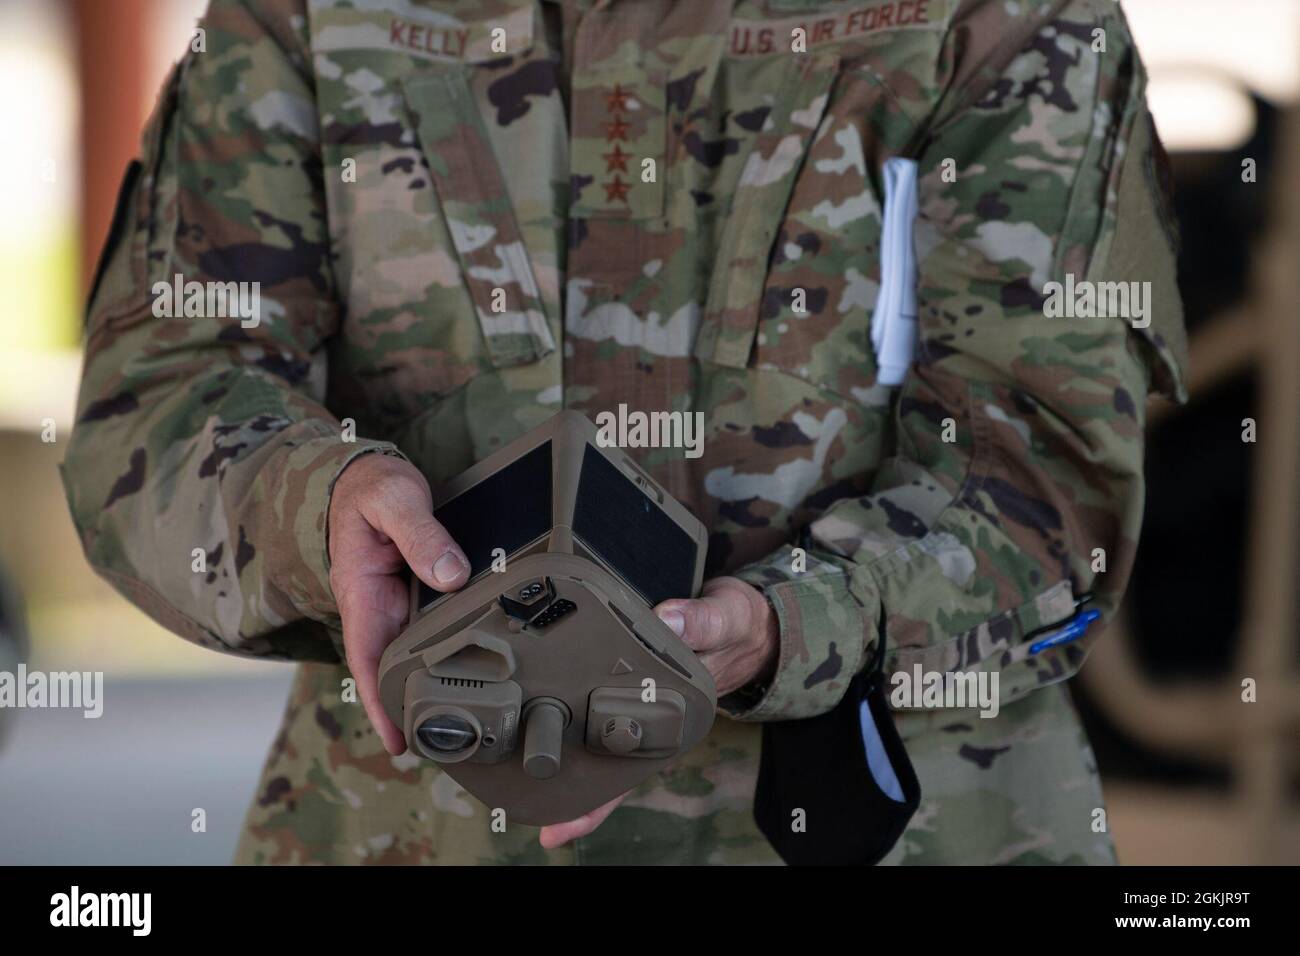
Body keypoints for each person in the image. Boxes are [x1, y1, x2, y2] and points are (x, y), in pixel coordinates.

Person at [62, 0, 1187, 865]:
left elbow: (1051, 481)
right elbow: (161, 390)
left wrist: (796, 622)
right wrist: (316, 505)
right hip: (398, 818)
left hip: (899, 821)